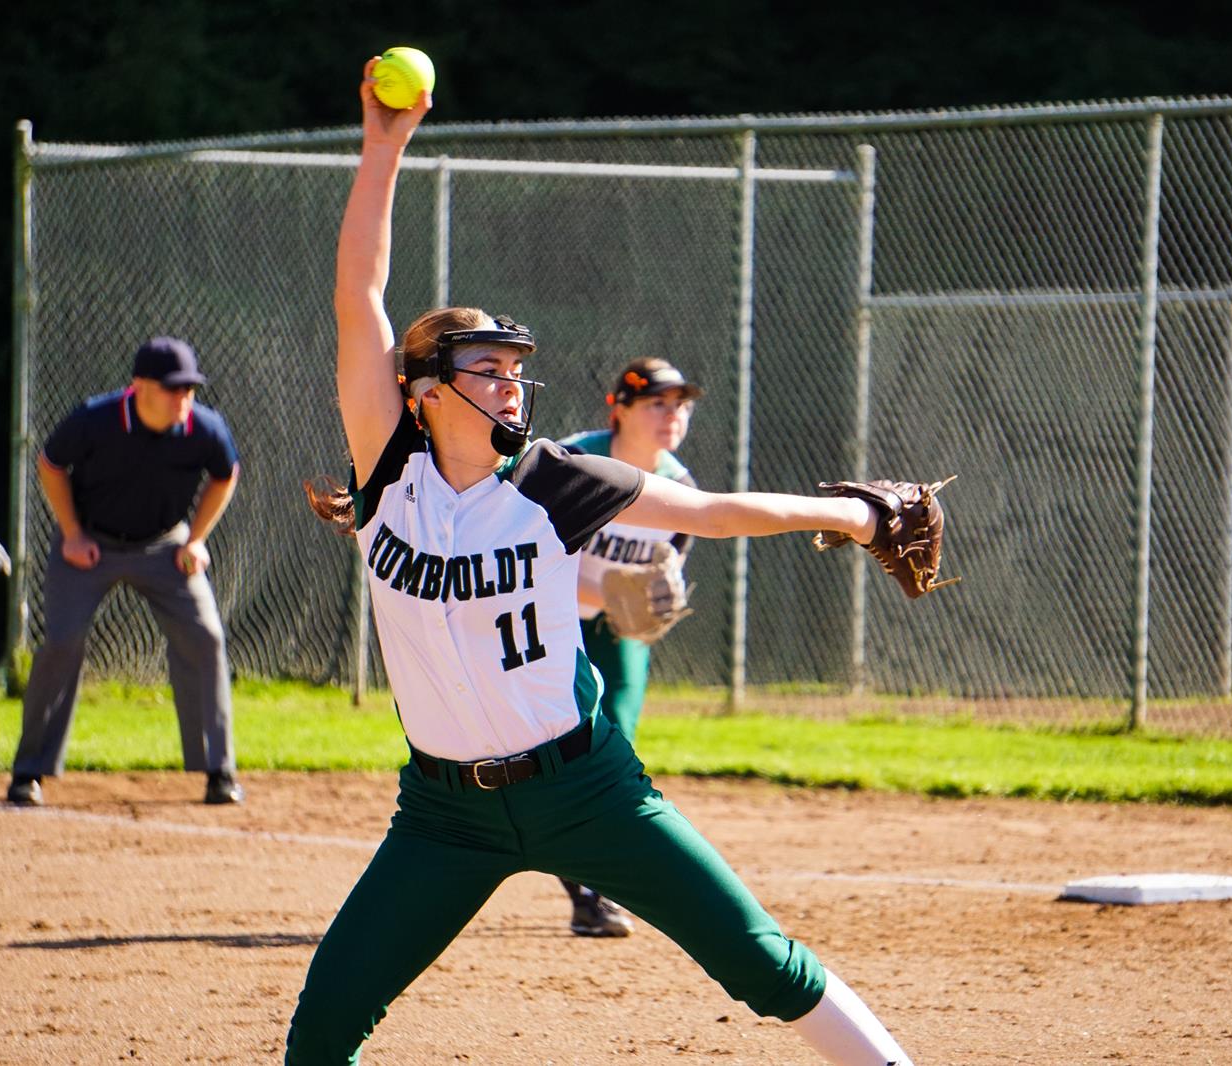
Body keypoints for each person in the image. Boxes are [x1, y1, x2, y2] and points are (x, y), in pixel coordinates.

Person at [286, 58, 919, 1066]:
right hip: (444, 815)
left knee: (758, 961)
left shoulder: (552, 478)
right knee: (321, 1029)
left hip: (588, 791)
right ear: (422, 391)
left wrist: (847, 512)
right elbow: (357, 287)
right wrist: (382, 147)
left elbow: (709, 511)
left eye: (515, 372)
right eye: (484, 368)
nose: (507, 384)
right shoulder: (385, 469)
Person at [6, 336, 243, 808]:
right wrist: (71, 533)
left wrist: (195, 538)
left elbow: (225, 474)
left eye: (189, 388)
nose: (184, 398)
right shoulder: (95, 419)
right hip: (90, 542)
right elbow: (51, 464)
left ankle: (219, 770)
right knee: (62, 641)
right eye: (172, 387)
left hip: (164, 544)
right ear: (138, 387)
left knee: (206, 637)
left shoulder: (203, 427)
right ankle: (28, 771)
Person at [553, 356, 704, 938]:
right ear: (618, 409)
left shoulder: (680, 486)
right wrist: (604, 589)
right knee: (559, 744)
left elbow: (667, 566)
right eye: (657, 403)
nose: (674, 415)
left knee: (614, 750)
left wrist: (649, 604)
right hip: (551, 622)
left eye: (681, 404)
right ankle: (587, 888)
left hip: (616, 633)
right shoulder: (574, 463)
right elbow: (525, 558)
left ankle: (590, 884)